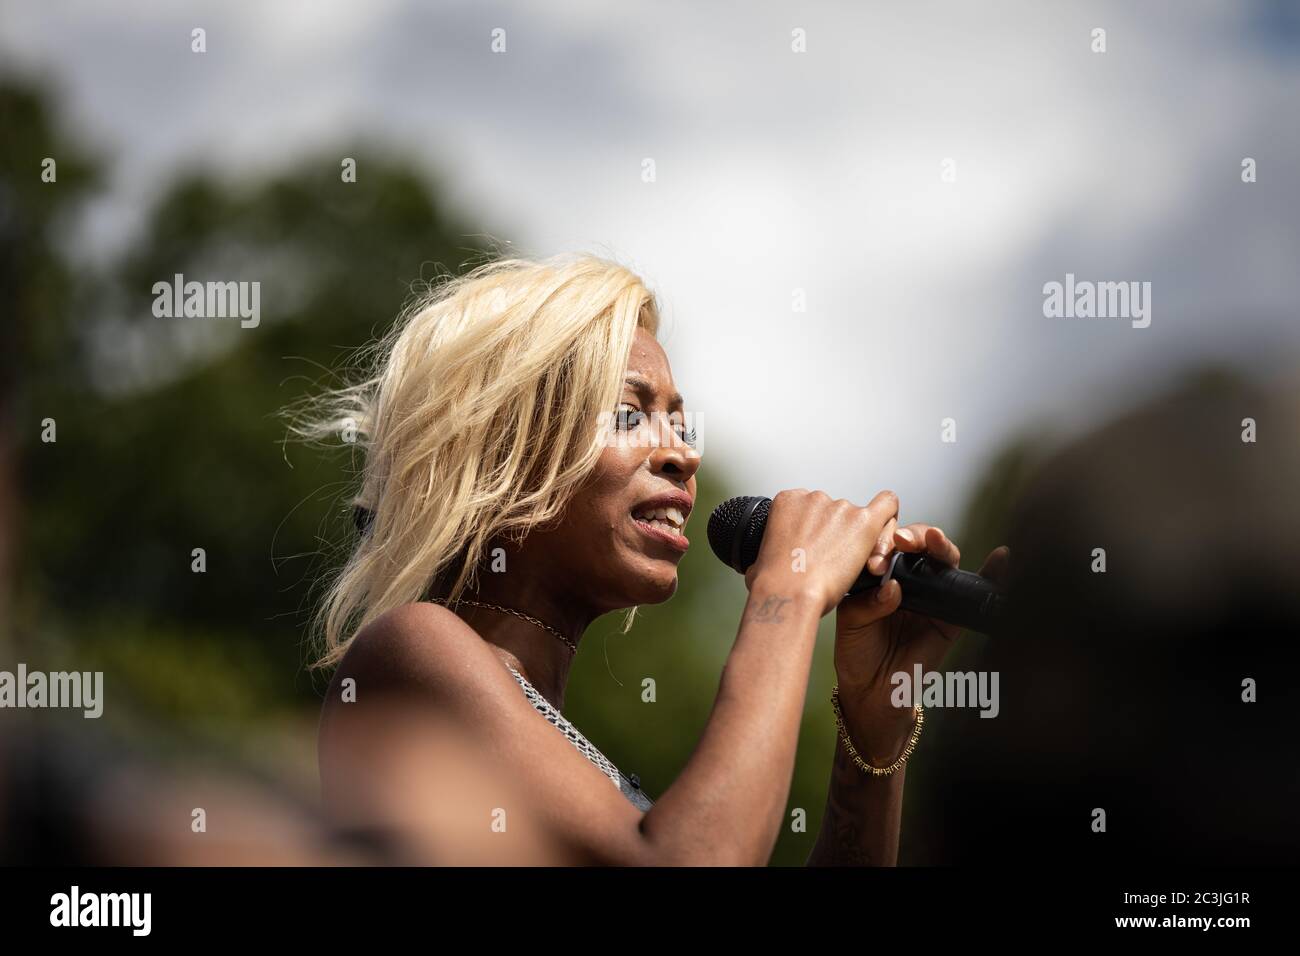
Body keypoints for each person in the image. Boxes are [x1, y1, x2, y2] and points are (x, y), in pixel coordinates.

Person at [307, 254, 1007, 865]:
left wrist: (873, 726)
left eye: (680, 420)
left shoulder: (567, 757)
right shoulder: (409, 649)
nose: (683, 453)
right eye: (628, 414)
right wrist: (789, 595)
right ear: (504, 454)